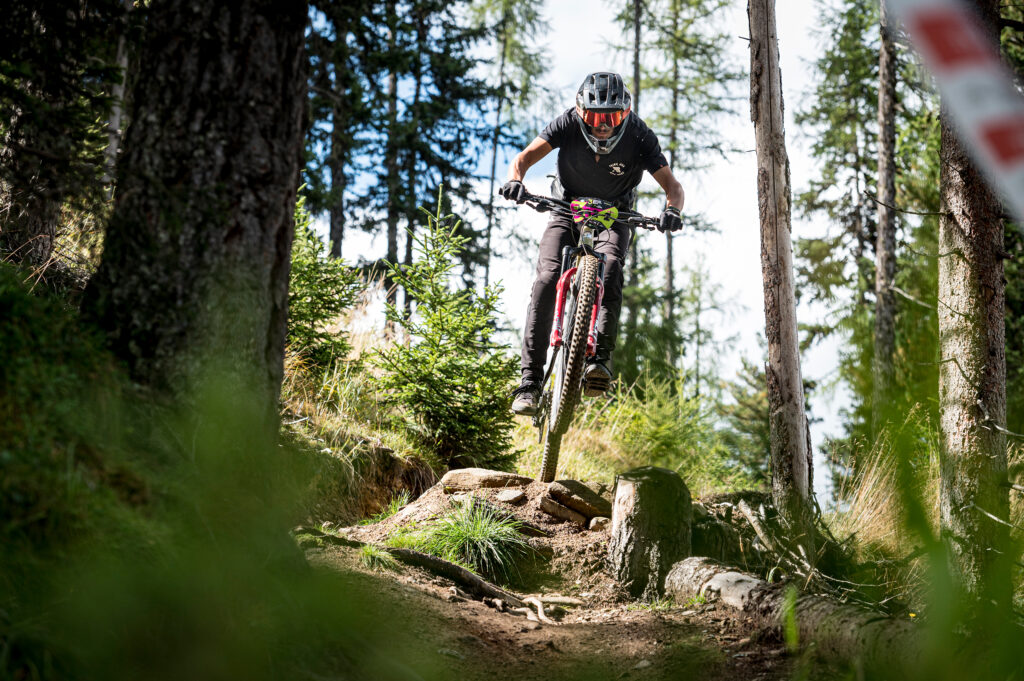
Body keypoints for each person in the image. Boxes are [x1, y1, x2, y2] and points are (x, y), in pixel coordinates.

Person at [501, 71, 685, 416]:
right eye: (594, 117)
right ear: (580, 111)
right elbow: (522, 159)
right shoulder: (566, 124)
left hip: (616, 214)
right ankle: (529, 383)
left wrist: (671, 211)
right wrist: (516, 181)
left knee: (611, 267)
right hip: (566, 209)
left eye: (612, 118)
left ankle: (599, 362)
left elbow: (673, 187)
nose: (602, 126)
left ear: (625, 113)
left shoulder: (640, 136)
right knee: (546, 279)